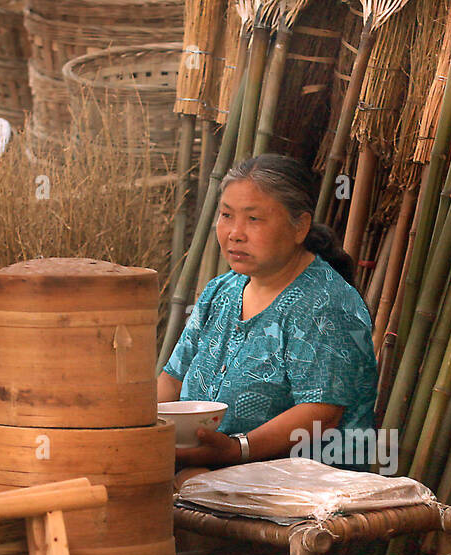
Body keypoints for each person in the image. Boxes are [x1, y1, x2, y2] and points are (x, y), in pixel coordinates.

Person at [158, 154, 378, 479]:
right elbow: (171, 382)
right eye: (226, 215)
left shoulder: (326, 304)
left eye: (254, 219)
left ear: (299, 227)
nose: (235, 233)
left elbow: (322, 414)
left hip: (299, 488)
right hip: (207, 470)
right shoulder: (220, 291)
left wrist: (236, 450)